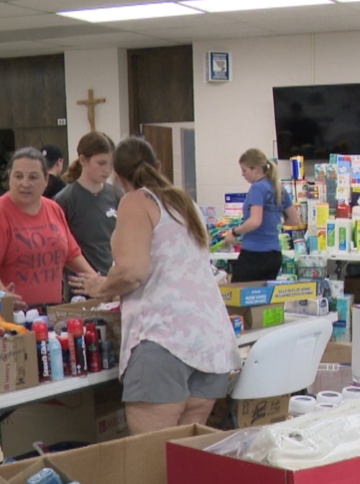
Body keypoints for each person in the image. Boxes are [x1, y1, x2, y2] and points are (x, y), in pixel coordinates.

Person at [70, 137, 240, 435]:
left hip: (165, 341)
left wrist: (100, 287)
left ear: (118, 175)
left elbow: (132, 272)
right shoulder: (184, 203)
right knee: (184, 450)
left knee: (153, 454)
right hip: (210, 343)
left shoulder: (136, 201)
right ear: (158, 166)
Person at [0, 147, 98, 308]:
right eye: (18, 176)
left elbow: (72, 255)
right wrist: (3, 295)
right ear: (9, 177)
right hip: (11, 314)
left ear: (46, 180)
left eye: (33, 177)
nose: (25, 184)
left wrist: (99, 283)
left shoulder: (54, 208)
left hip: (52, 312)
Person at [223, 149, 301, 283]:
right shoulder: (279, 188)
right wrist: (273, 223)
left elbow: (255, 221)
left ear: (256, 169)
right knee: (264, 296)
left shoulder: (257, 188)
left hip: (254, 254)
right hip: (274, 255)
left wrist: (234, 232)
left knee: (238, 294)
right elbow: (295, 220)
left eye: (244, 170)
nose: (242, 174)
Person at [55, 132, 118, 275]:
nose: (107, 170)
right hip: (79, 281)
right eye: (101, 163)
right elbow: (60, 246)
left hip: (111, 279)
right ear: (83, 160)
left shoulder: (116, 195)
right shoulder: (65, 200)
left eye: (111, 164)